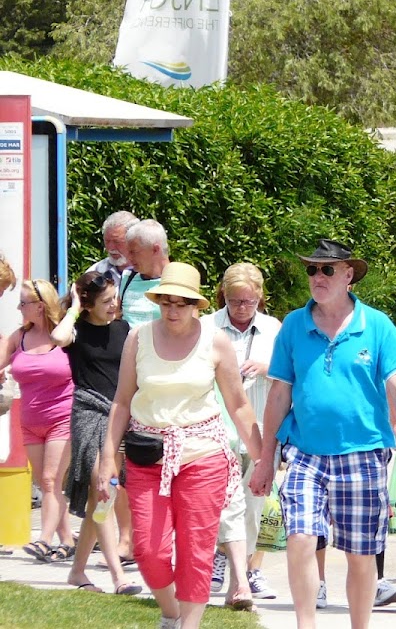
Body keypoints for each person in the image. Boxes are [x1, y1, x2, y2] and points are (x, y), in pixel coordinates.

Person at [248, 239, 396, 629]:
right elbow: (279, 395)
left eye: (327, 269)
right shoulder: (294, 325)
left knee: (361, 555)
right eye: (312, 269)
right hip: (305, 453)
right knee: (300, 539)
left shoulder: (376, 325)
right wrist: (265, 459)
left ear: (348, 276)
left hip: (363, 454)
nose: (318, 276)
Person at [95, 261, 263, 629]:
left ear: (196, 305)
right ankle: (171, 613)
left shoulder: (215, 341)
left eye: (182, 304)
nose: (173, 311)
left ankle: (190, 624)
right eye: (166, 303)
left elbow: (238, 404)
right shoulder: (138, 338)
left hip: (204, 456)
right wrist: (108, 457)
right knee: (148, 550)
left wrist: (262, 459)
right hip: (147, 455)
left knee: (195, 550)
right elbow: (122, 401)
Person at [50, 272, 142, 596]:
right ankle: (119, 577)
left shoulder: (124, 329)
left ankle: (77, 571)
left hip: (118, 416)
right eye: (105, 301)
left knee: (99, 499)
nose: (113, 304)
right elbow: (58, 337)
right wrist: (75, 307)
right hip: (88, 413)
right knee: (102, 490)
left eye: (115, 298)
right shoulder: (77, 331)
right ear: (88, 304)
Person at [202, 263, 283, 608]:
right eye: (234, 301)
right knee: (222, 502)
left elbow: (290, 375)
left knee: (255, 505)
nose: (241, 308)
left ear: (259, 297)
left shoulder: (273, 328)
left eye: (248, 302)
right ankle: (225, 562)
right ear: (223, 296)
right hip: (218, 428)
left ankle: (251, 568)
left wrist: (266, 369)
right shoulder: (207, 326)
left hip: (261, 427)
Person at [1, 279, 76, 563]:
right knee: (47, 484)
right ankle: (67, 540)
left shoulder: (63, 337)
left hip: (62, 417)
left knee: (49, 479)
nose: (19, 308)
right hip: (30, 421)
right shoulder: (19, 336)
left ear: (40, 306)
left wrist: (75, 308)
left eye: (23, 303)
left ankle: (44, 540)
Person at [120, 219, 171, 328]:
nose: (129, 258)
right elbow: (115, 315)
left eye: (133, 252)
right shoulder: (128, 277)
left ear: (155, 250)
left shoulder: (178, 279)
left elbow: (190, 325)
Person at [86, 211, 139, 285]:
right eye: (107, 241)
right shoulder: (96, 272)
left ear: (134, 240)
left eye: (117, 242)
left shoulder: (150, 272)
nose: (111, 248)